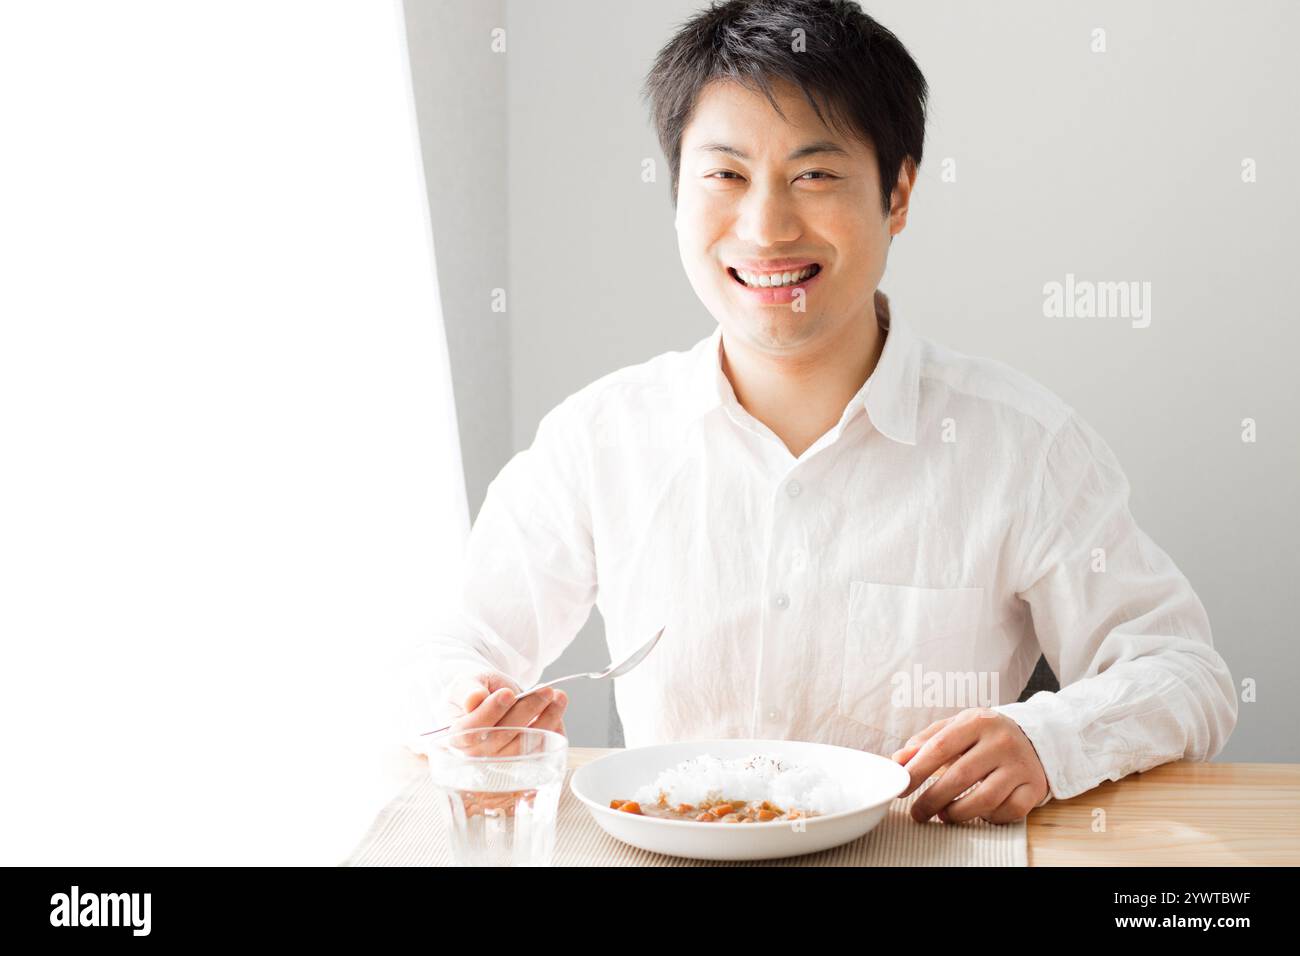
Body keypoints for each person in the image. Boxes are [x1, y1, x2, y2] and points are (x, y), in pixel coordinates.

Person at [402, 0, 1237, 824]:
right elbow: (452, 649)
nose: (765, 229)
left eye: (815, 175)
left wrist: (1048, 737)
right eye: (725, 176)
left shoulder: (1021, 445)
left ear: (898, 194)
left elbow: (1185, 671)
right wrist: (469, 711)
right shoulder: (601, 439)